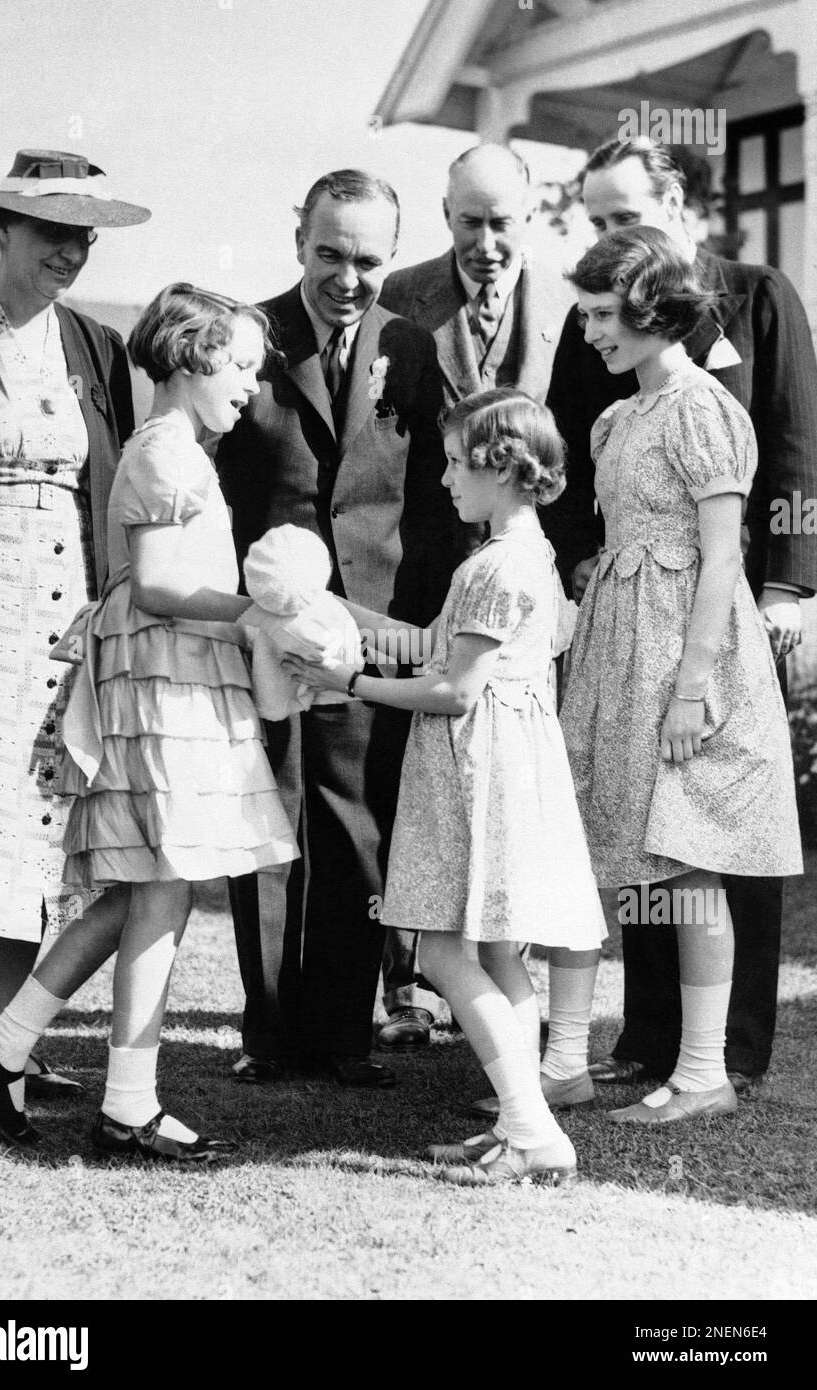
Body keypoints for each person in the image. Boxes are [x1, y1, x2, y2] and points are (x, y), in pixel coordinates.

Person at [0, 284, 299, 1159]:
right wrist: (256, 611)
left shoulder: (185, 452)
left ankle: (5, 1044)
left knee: (147, 886)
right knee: (163, 883)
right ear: (190, 358)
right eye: (241, 366)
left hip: (180, 680)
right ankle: (125, 1104)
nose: (251, 386)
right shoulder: (165, 452)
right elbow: (157, 584)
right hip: (160, 688)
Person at [542, 137, 817, 1095]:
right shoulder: (611, 377)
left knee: (710, 832)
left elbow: (791, 451)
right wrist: (586, 566)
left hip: (715, 611)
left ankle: (721, 1050)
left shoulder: (756, 301)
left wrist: (787, 592)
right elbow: (569, 458)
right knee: (631, 831)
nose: (611, 233)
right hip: (626, 613)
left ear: (672, 202)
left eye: (625, 216)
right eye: (598, 220)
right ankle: (643, 1039)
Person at [284, 387, 605, 1182]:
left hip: (478, 769)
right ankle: (517, 1123)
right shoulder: (523, 556)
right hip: (502, 763)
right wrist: (335, 611)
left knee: (439, 947)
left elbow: (455, 690)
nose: (444, 477)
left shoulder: (496, 565)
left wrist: (349, 683)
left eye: (459, 463)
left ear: (503, 467)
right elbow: (431, 645)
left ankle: (532, 1129)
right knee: (495, 948)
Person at [216, 169, 459, 1088]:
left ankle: (343, 1034)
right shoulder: (248, 336)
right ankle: (272, 1034)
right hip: (269, 628)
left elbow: (433, 498)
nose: (347, 278)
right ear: (299, 241)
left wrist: (424, 626)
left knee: (359, 832)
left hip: (375, 633)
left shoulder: (411, 345)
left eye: (367, 260)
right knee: (268, 825)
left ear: (391, 257)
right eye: (329, 254)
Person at [0, 149, 148, 1124]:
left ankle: (5, 1057)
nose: (69, 252)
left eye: (83, 237)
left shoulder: (97, 348)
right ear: (2, 230)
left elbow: (112, 483)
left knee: (37, 839)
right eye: (52, 233)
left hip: (68, 622)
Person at [378, 142, 573, 1050]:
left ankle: (492, 980)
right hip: (425, 573)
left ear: (527, 217)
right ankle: (408, 987)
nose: (486, 243)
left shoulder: (567, 305)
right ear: (444, 215)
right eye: (469, 222)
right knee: (412, 785)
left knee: (503, 794)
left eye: (502, 223)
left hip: (522, 588)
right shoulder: (401, 296)